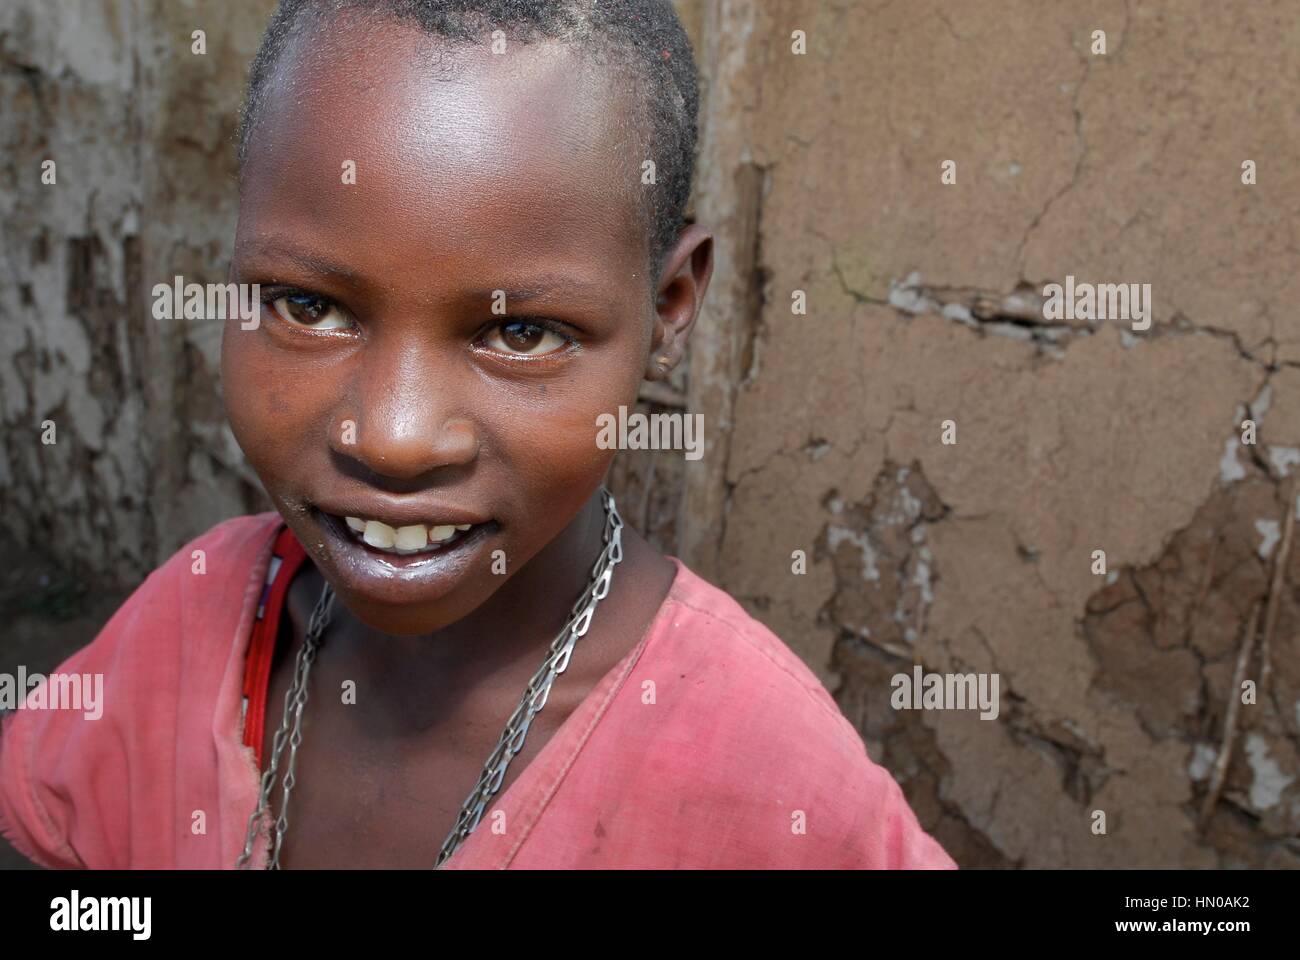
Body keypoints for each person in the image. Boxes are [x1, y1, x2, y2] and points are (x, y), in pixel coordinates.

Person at [0, 0, 955, 870]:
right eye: (307, 305)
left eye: (521, 332)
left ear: (668, 309)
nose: (395, 438)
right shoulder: (188, 623)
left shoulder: (774, 784)